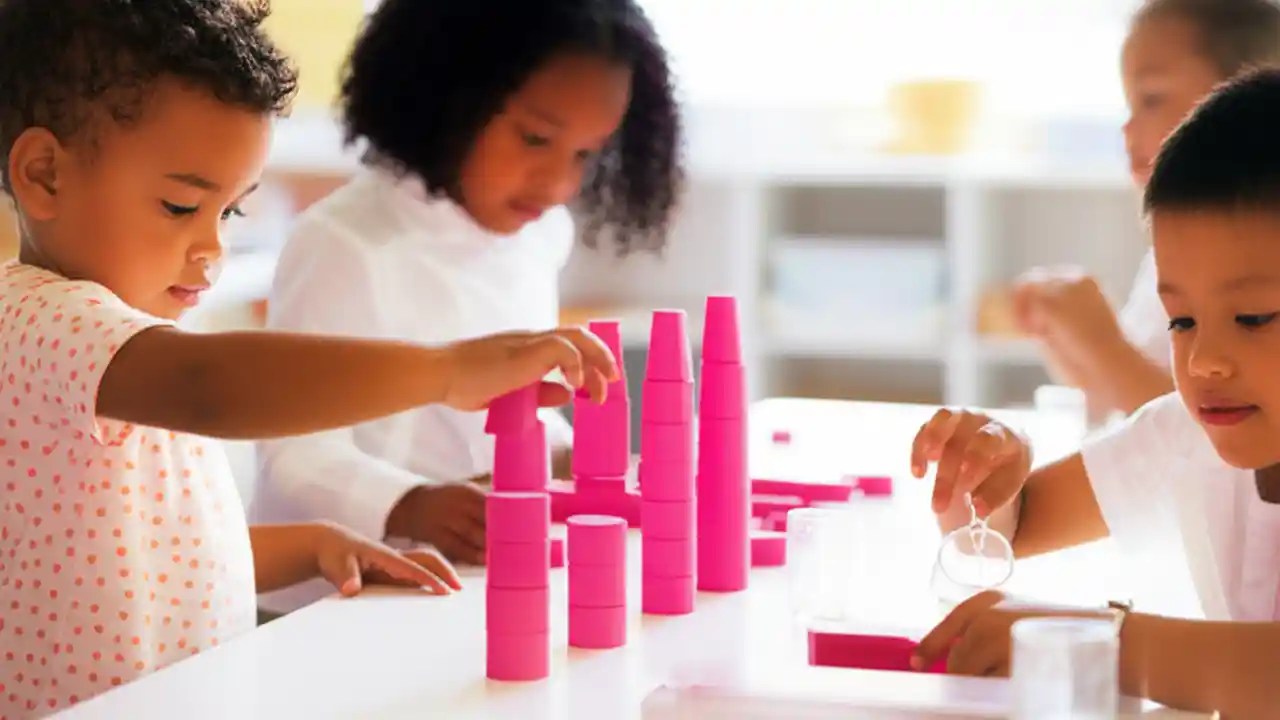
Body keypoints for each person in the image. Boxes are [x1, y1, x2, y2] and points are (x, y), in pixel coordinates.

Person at [0, 1, 617, 716]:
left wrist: (314, 543)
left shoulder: (112, 347)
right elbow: (214, 389)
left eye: (228, 213)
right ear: (44, 175)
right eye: (179, 207)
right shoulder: (39, 319)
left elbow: (153, 551)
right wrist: (445, 371)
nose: (212, 249)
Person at [253, 0, 681, 614]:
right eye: (535, 138)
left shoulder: (538, 235)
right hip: (326, 606)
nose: (560, 184)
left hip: (458, 584)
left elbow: (508, 409)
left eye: (586, 153)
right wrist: (409, 503)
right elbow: (294, 447)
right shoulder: (343, 244)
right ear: (444, 94)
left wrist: (568, 453)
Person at [910, 67, 1280, 718]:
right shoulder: (1190, 434)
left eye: (1253, 318)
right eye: (1181, 321)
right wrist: (989, 472)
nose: (1205, 361)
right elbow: (1019, 522)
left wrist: (1088, 641)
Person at [1013, 0, 1280, 417]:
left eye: (1152, 98)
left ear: (1243, 98)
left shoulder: (1258, 255)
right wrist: (1068, 336)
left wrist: (1103, 344)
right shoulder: (1171, 248)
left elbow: (1198, 439)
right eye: (1129, 104)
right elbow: (1125, 407)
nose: (1128, 129)